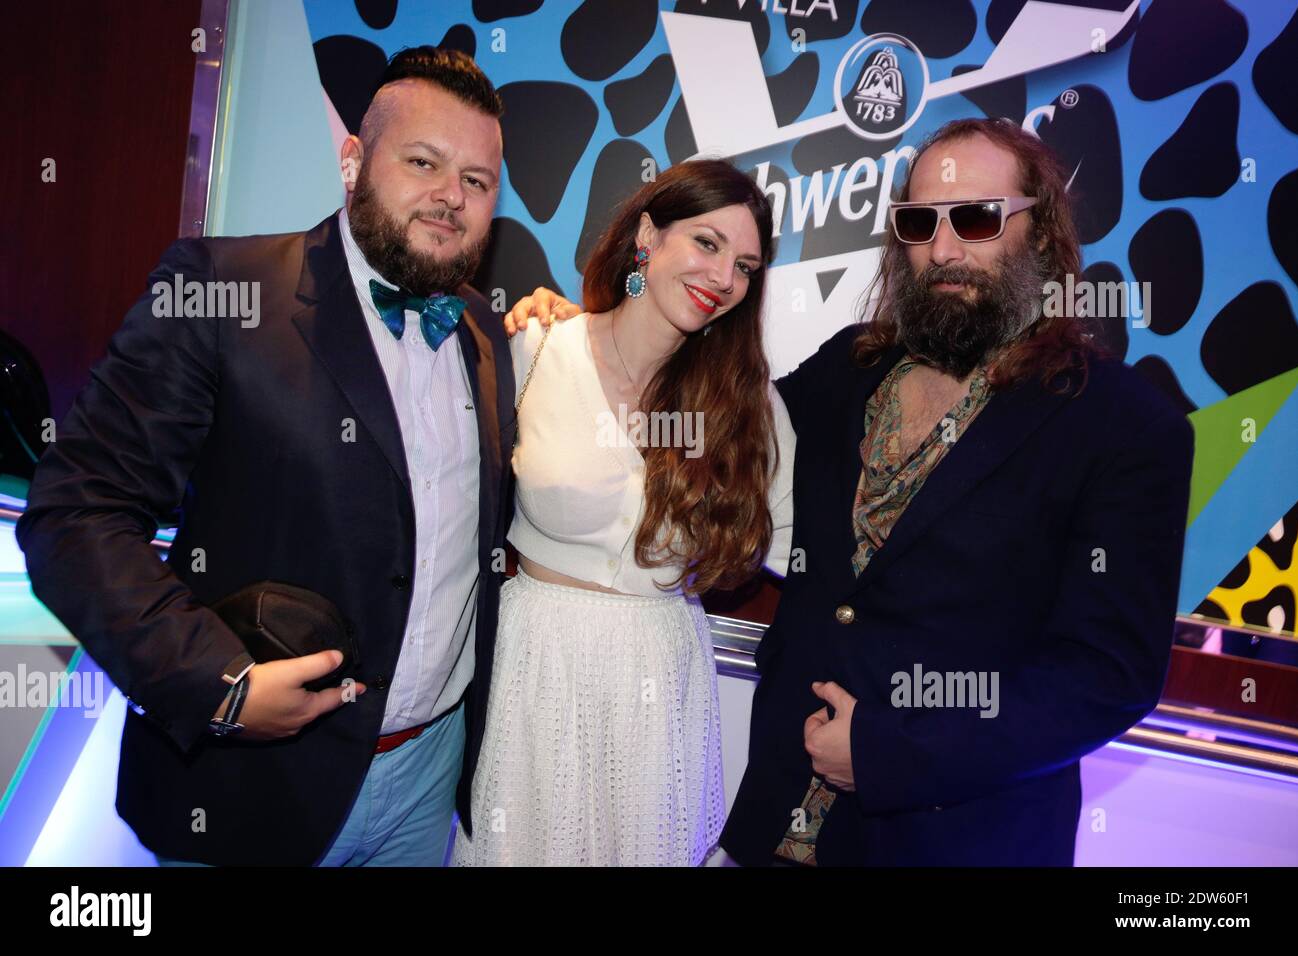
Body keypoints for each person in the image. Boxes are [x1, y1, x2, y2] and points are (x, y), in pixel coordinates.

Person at [17, 46, 573, 866]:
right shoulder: (219, 291)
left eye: (477, 181)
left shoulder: (490, 336)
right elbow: (75, 513)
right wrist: (220, 685)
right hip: (255, 785)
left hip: (431, 777)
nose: (451, 197)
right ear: (353, 161)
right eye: (423, 161)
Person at [719, 117, 1195, 866]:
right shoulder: (849, 368)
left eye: (975, 220)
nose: (943, 250)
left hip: (958, 841)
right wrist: (591, 337)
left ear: (1039, 237)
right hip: (779, 825)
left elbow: (1105, 677)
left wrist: (889, 752)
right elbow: (723, 434)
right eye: (920, 222)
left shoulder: (1124, 426)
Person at [451, 159, 794, 866]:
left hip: (658, 679)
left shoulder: (745, 405)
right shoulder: (539, 346)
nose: (724, 277)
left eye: (746, 264)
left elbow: (800, 551)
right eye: (706, 243)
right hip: (535, 667)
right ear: (648, 236)